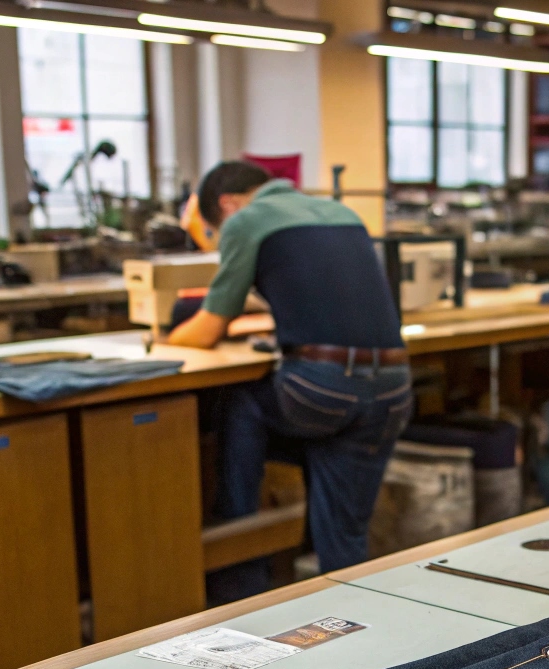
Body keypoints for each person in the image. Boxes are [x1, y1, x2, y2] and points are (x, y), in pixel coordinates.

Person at [168, 161, 412, 598]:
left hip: (322, 390)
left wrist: (166, 334)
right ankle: (358, 628)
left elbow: (206, 330)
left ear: (226, 204)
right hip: (393, 388)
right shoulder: (341, 213)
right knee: (344, 542)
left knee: (239, 402)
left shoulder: (246, 220)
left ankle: (240, 573)